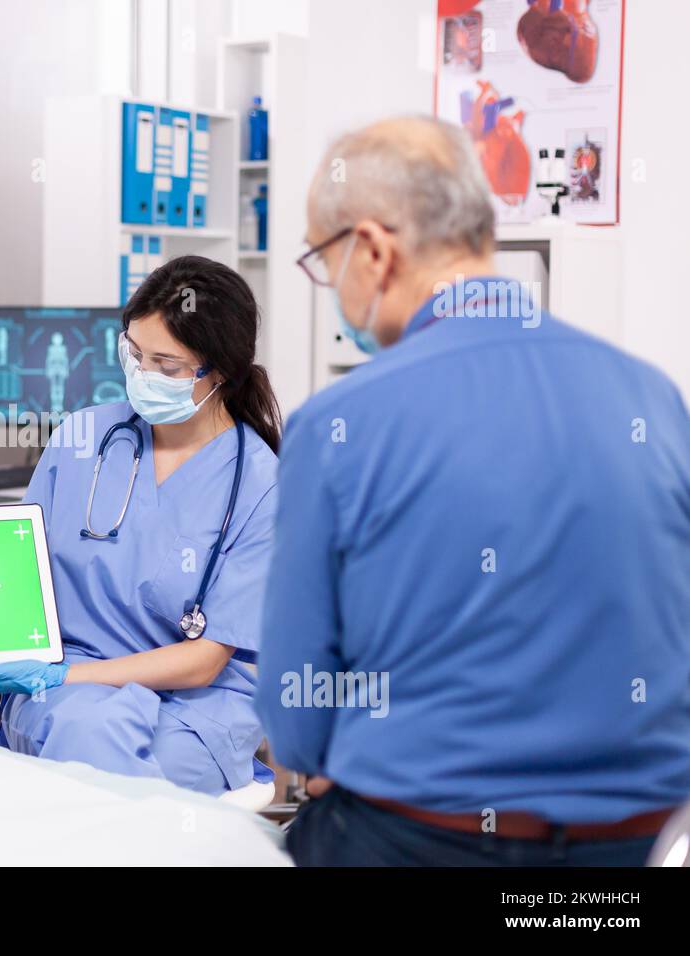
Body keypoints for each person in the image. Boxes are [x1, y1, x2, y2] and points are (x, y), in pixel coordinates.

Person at [257, 115, 690, 866]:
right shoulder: (651, 397)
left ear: (374, 250)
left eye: (325, 261)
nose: (331, 287)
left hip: (420, 838)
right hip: (636, 846)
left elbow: (297, 716)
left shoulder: (339, 423)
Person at [0, 256, 282, 796]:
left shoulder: (260, 483)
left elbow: (205, 661)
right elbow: (28, 579)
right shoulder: (84, 436)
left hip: (190, 704)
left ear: (220, 371)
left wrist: (62, 679)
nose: (142, 375)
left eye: (167, 365)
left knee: (96, 763)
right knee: (92, 744)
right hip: (70, 684)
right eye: (133, 354)